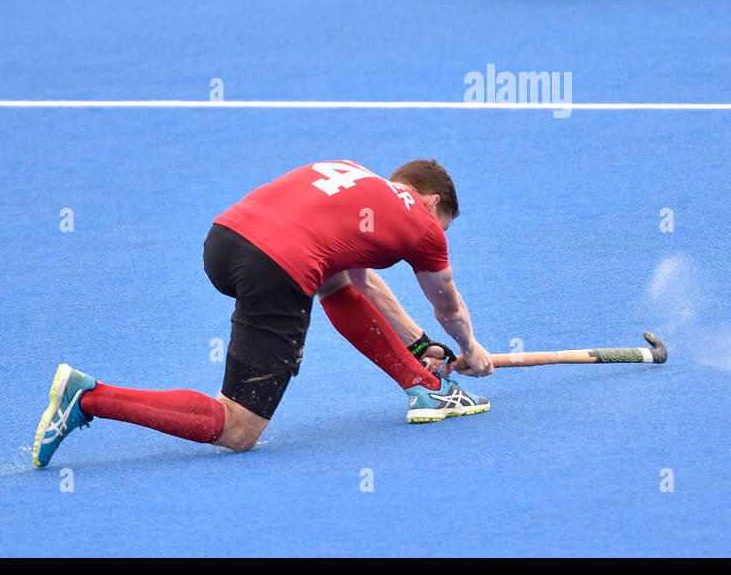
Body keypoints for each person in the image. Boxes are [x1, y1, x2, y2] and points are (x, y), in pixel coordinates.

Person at [32, 159, 493, 468]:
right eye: (443, 223)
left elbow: (360, 282)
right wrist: (472, 349)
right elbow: (446, 303)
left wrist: (419, 349)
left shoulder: (355, 178)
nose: (438, 234)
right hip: (277, 266)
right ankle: (89, 398)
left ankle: (423, 388)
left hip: (224, 242)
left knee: (332, 282)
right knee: (237, 428)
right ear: (432, 203)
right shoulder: (422, 222)